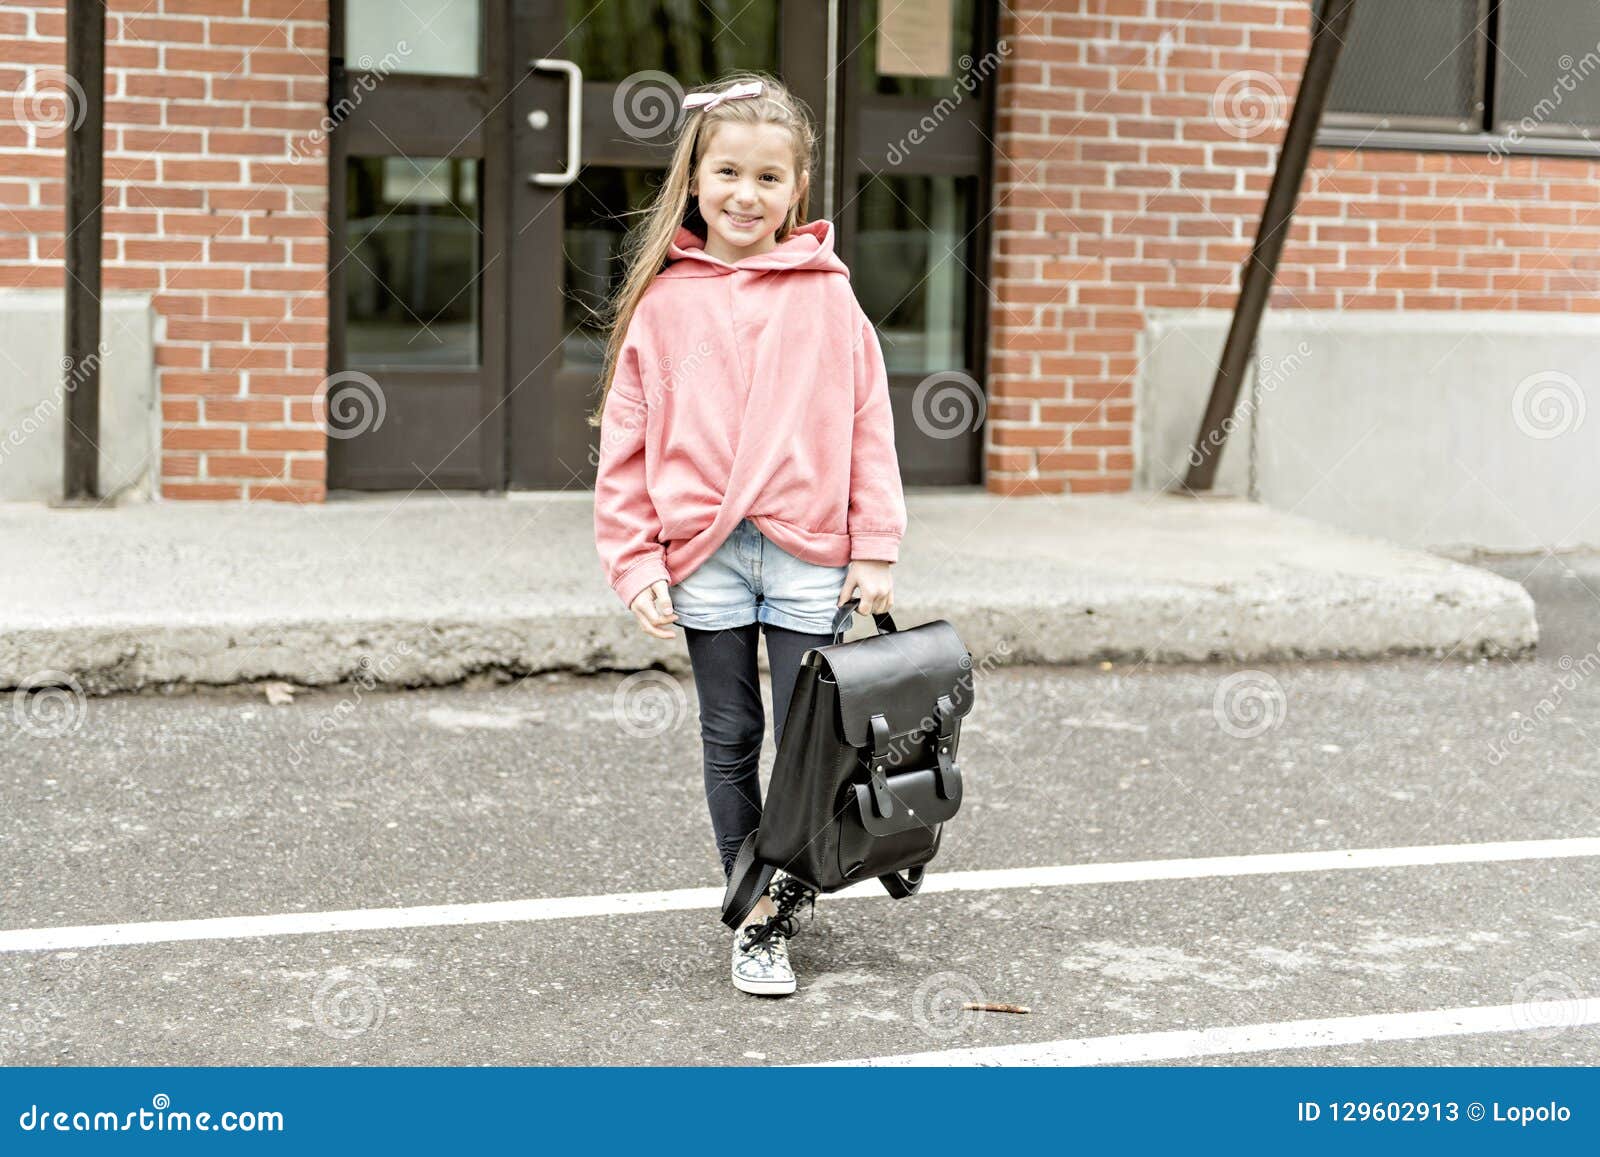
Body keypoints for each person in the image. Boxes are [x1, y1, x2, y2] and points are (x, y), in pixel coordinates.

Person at [590, 71, 907, 997]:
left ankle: (791, 883)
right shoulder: (665, 304)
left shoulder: (829, 299)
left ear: (796, 189)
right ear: (694, 180)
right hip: (706, 555)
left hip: (808, 550)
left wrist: (874, 542)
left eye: (768, 178)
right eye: (727, 172)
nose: (745, 194)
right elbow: (626, 444)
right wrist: (634, 558)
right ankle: (758, 910)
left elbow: (869, 422)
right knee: (730, 733)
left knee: (814, 744)